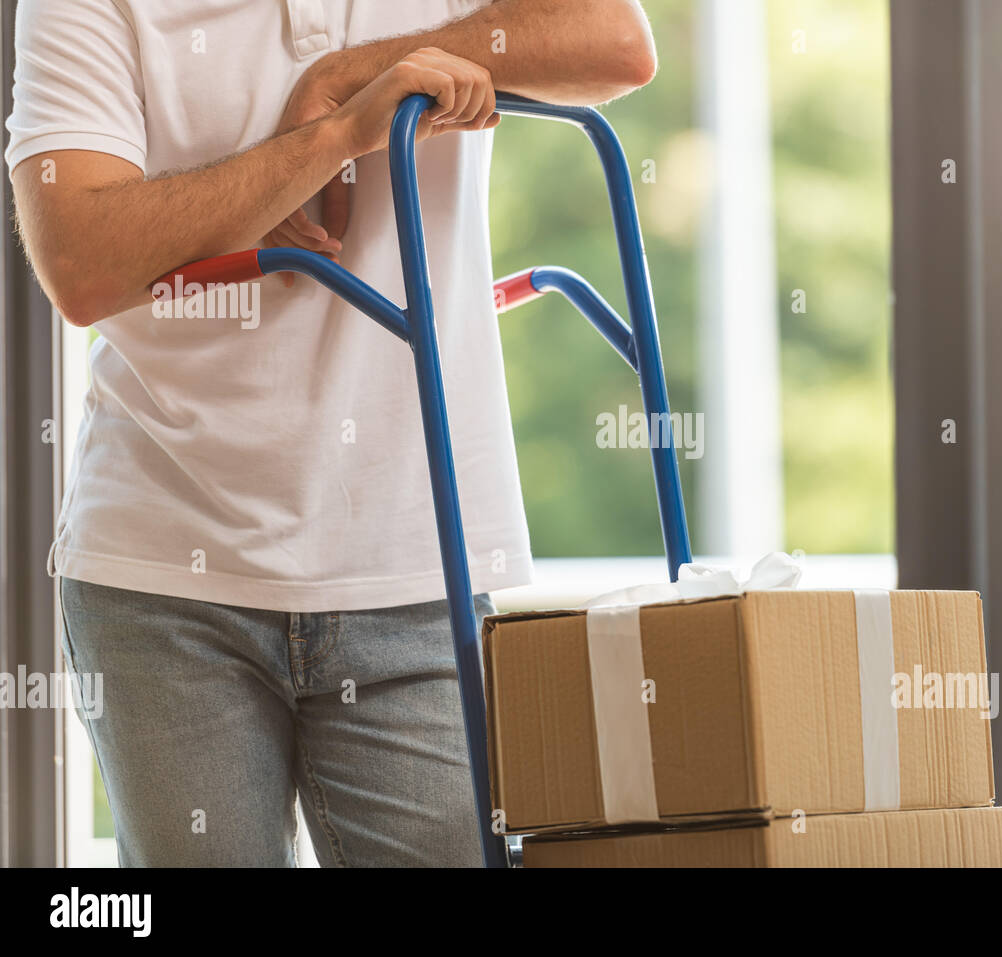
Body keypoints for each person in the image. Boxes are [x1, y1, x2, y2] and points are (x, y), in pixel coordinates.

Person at [5, 0, 656, 867]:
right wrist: (326, 140)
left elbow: (614, 41)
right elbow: (81, 259)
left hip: (417, 562)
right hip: (165, 574)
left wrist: (344, 73)